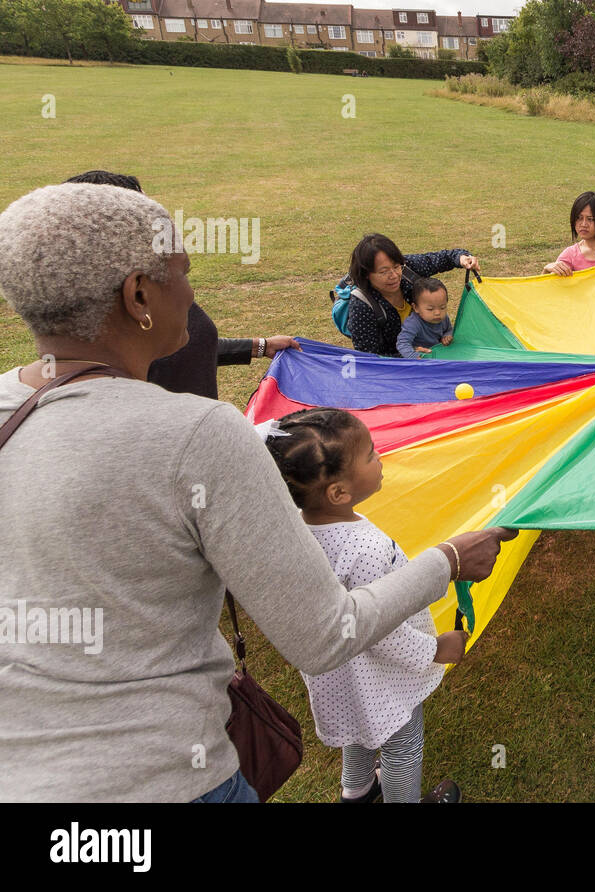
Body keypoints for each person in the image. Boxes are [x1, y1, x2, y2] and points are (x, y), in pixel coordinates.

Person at [0, 183, 514, 802]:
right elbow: (325, 634)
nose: (191, 295)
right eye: (182, 273)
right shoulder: (197, 435)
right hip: (164, 778)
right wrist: (450, 560)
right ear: (138, 294)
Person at [265, 408, 469, 803]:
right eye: (372, 454)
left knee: (359, 733)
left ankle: (356, 791)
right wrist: (436, 649)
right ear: (338, 493)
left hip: (337, 675)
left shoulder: (291, 528)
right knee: (402, 747)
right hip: (382, 679)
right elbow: (381, 630)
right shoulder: (366, 550)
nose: (381, 459)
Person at [64, 170, 299, 397]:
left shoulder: (150, 285)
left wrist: (260, 346)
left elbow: (187, 346)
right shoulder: (112, 317)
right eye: (146, 209)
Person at [345, 233, 479, 357]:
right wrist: (408, 354)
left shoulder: (407, 268)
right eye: (384, 271)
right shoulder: (361, 306)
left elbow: (444, 257)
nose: (394, 275)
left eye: (396, 266)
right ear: (366, 274)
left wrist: (462, 258)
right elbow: (369, 358)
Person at [544, 191, 595, 276]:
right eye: (579, 218)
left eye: (590, 219)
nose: (583, 224)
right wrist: (546, 270)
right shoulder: (570, 256)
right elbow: (547, 287)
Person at [397, 277, 454, 359]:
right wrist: (413, 356)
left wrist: (447, 335)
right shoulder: (413, 323)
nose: (437, 313)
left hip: (438, 354)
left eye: (442, 307)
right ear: (416, 308)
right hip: (421, 356)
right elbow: (402, 343)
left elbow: (449, 329)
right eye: (430, 309)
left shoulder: (444, 318)